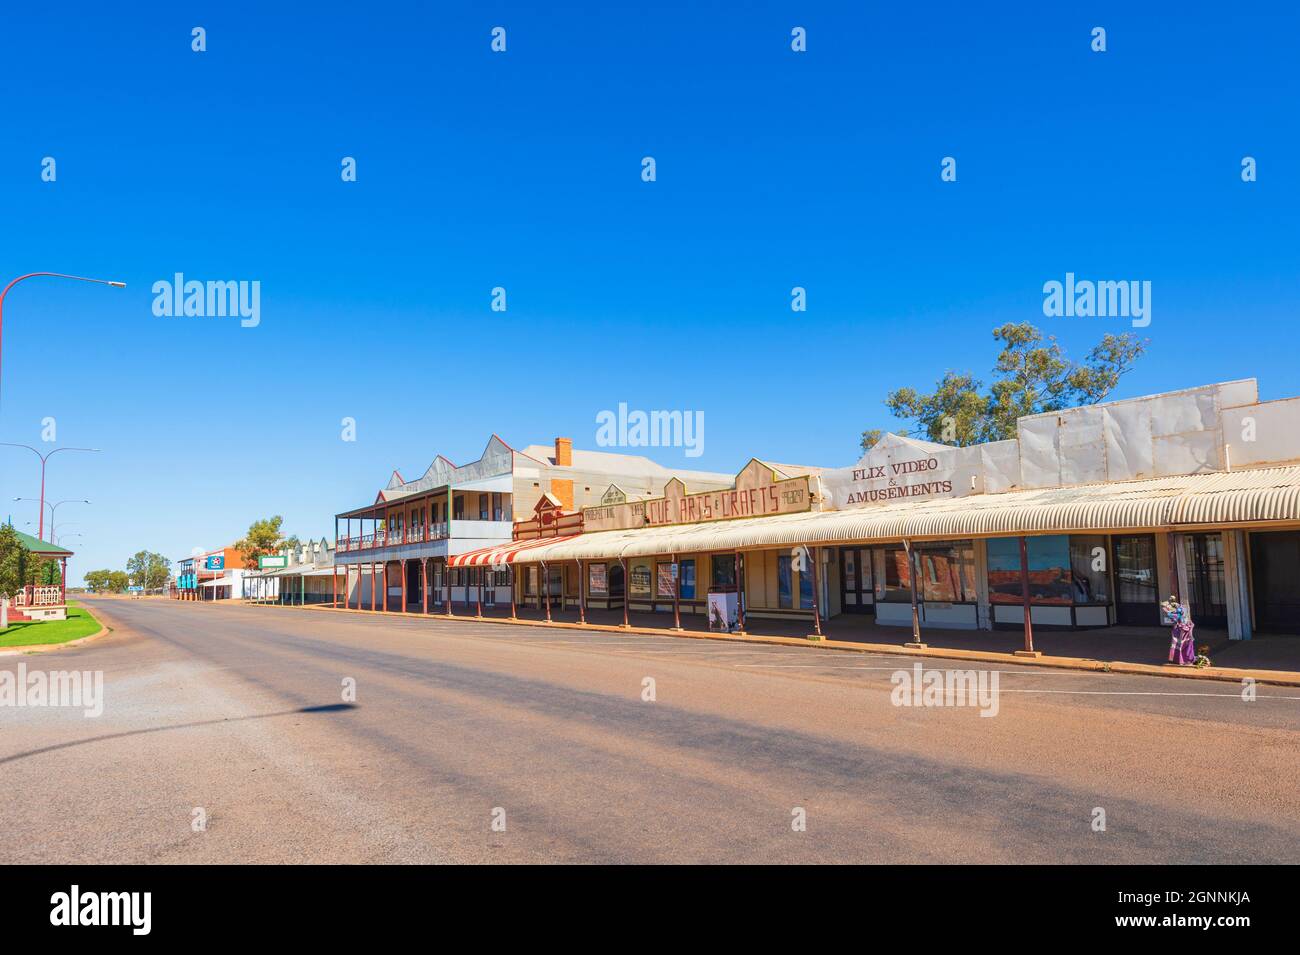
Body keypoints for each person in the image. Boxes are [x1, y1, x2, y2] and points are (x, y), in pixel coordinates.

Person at [1161, 596, 1195, 665]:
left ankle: (1185, 659)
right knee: (1182, 645)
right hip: (1182, 629)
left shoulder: (1177, 613)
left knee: (1182, 645)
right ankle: (1185, 659)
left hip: (1181, 630)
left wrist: (1168, 611)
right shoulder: (1180, 611)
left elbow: (1174, 616)